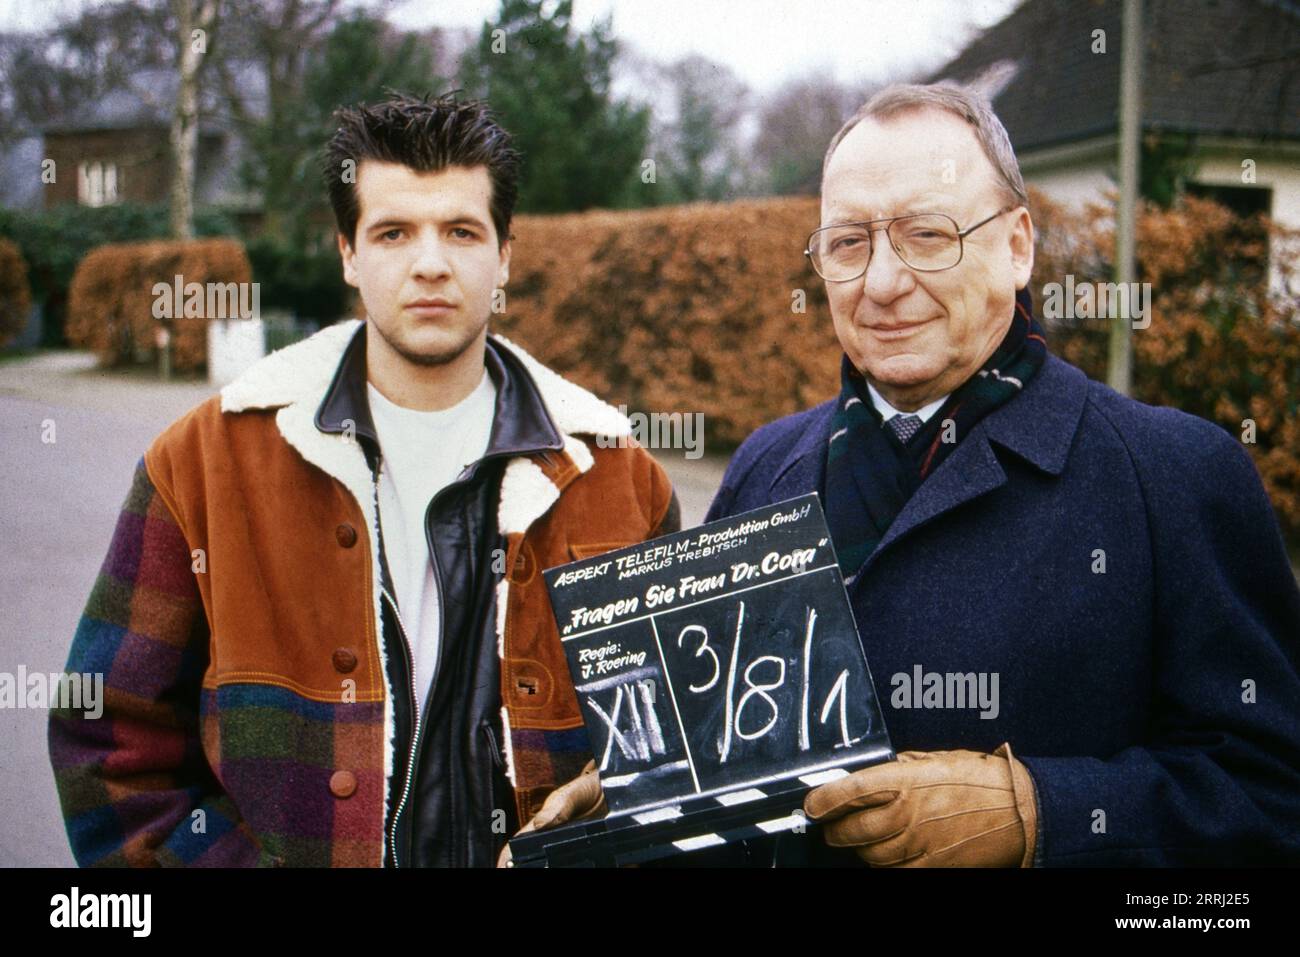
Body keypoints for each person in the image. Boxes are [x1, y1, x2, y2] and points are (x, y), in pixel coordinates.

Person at [47, 92, 676, 868]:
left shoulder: (620, 478)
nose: (431, 263)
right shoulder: (201, 464)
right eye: (393, 232)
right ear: (348, 251)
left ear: (505, 253)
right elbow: (108, 735)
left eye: (461, 230)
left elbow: (676, 747)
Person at [703, 82, 1300, 866]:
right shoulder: (762, 469)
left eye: (927, 233)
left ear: (1018, 246)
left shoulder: (1177, 478)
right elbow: (714, 760)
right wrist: (625, 805)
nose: (881, 282)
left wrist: (1042, 814)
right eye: (848, 242)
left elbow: (1271, 799)